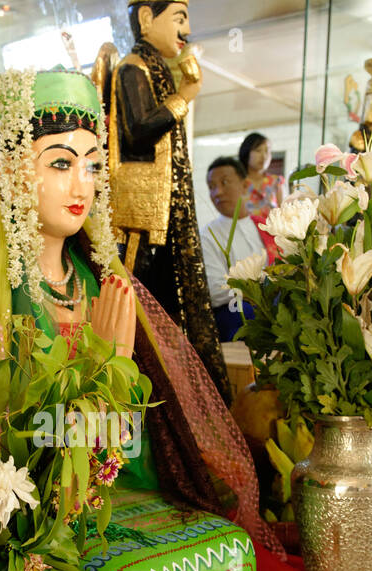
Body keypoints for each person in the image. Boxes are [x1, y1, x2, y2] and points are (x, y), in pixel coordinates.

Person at [0, 67, 273, 550]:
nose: (82, 187)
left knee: (229, 547)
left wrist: (120, 372)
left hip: (115, 495)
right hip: (33, 523)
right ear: (8, 171)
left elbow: (130, 448)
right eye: (61, 164)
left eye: (92, 166)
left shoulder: (97, 283)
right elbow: (0, 447)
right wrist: (104, 366)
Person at [98, 1, 232, 404]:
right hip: (143, 219)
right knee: (146, 309)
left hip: (164, 214)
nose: (187, 29)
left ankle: (182, 398)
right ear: (145, 19)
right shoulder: (132, 69)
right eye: (178, 17)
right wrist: (185, 95)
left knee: (170, 311)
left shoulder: (156, 71)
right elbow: (139, 131)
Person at [202, 158, 273, 342]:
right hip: (236, 312)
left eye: (224, 182)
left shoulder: (267, 227)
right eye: (211, 186)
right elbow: (215, 291)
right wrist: (257, 290)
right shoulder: (207, 235)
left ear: (245, 185)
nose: (217, 192)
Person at [238, 133, 284, 219]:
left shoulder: (275, 182)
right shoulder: (238, 182)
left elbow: (282, 214)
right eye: (258, 150)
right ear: (246, 152)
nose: (264, 156)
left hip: (270, 231)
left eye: (267, 151)